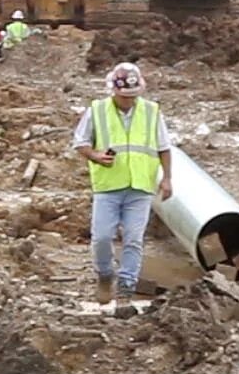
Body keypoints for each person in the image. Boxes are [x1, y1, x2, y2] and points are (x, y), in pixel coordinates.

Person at [73, 62, 173, 308]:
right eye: (123, 96)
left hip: (140, 186)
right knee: (102, 237)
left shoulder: (151, 112)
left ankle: (126, 288)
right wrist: (95, 155)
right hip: (108, 186)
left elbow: (164, 148)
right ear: (113, 91)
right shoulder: (97, 110)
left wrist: (168, 178)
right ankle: (105, 275)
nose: (128, 100)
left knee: (133, 238)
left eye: (132, 95)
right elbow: (80, 142)